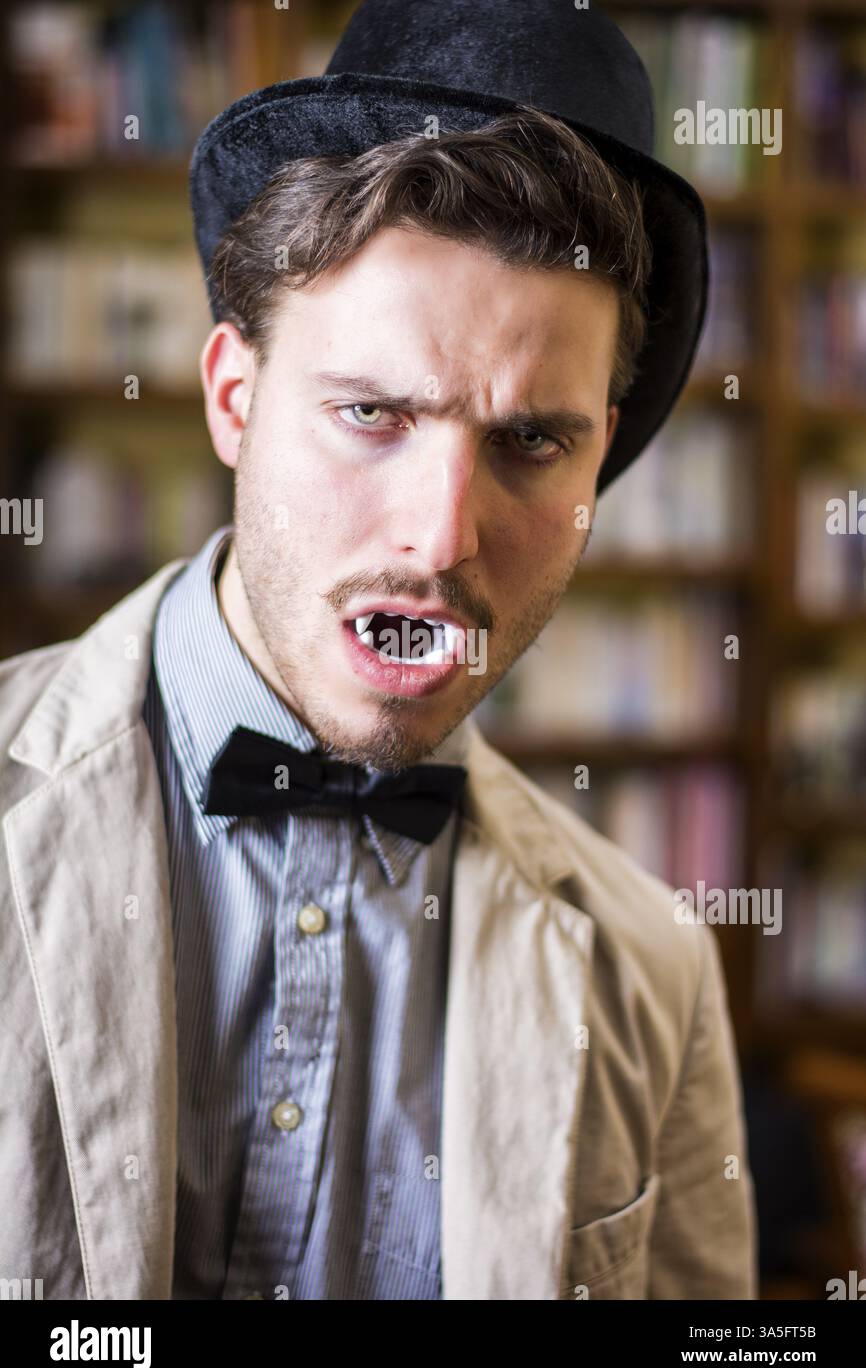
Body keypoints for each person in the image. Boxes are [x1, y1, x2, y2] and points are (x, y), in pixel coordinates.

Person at [0, 0, 757, 1299]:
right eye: (369, 413)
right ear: (233, 396)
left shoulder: (653, 969)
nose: (440, 534)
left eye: (531, 443)